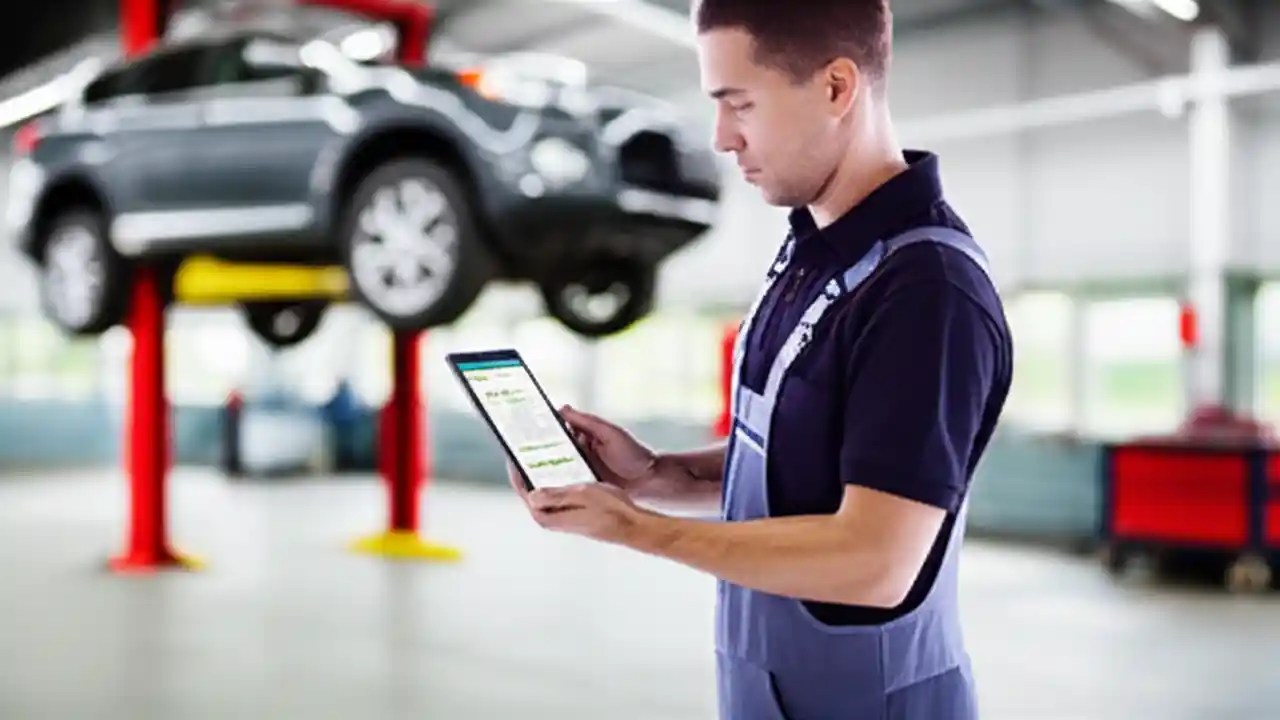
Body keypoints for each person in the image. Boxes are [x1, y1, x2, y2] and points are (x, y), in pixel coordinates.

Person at [507, 1, 1013, 717]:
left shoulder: (926, 293)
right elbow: (800, 459)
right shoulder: (810, 251)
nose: (720, 138)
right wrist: (657, 474)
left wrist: (637, 528)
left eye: (738, 103)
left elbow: (876, 561)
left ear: (837, 88)